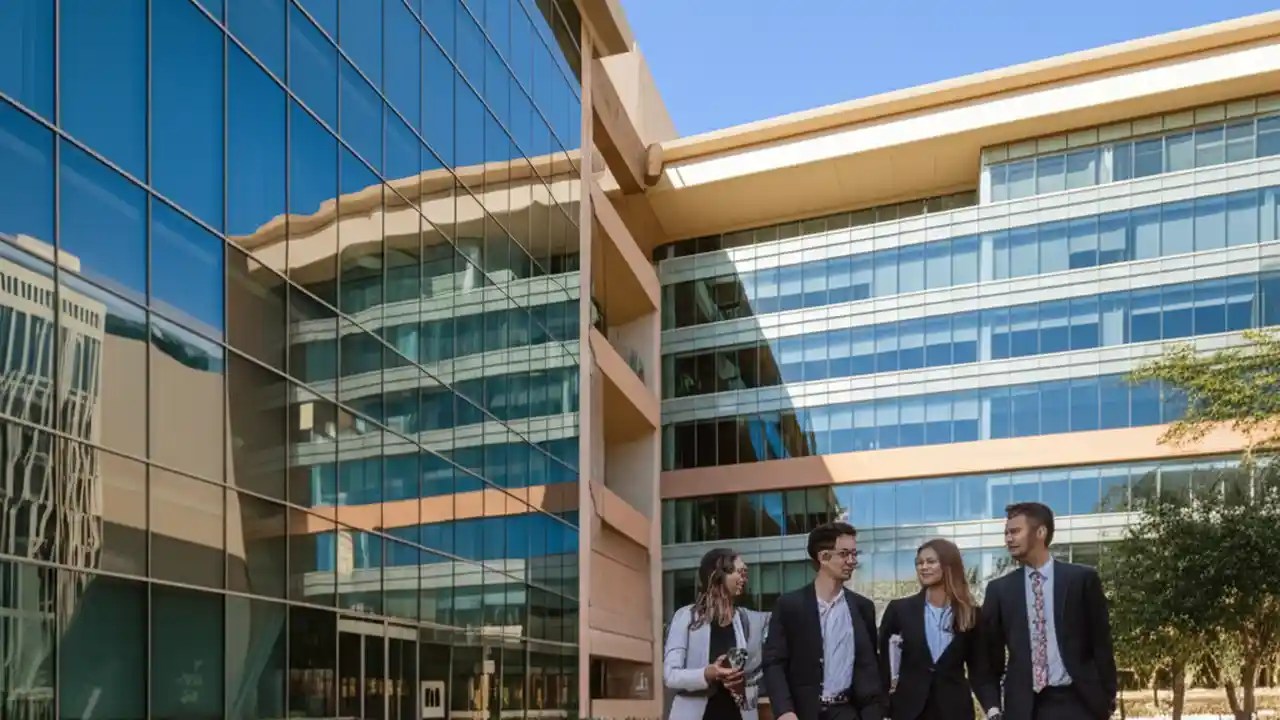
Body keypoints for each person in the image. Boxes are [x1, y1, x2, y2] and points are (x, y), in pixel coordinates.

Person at [982, 503, 1117, 720]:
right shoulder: (999, 590)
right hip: (1023, 708)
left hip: (1077, 702)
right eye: (1006, 533)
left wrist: (1107, 697)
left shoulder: (1081, 580)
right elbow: (989, 657)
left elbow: (1101, 642)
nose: (1008, 539)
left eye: (1015, 531)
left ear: (1041, 532)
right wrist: (993, 708)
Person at [762, 522, 884, 720]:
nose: (852, 561)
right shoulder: (789, 606)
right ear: (823, 557)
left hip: (848, 712)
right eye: (844, 554)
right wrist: (785, 711)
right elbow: (774, 663)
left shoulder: (863, 608)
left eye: (854, 553)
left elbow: (869, 668)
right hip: (803, 713)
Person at [878, 538, 999, 720]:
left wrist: (992, 709)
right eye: (919, 563)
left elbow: (980, 670)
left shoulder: (971, 615)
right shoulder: (899, 610)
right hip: (907, 711)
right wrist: (882, 709)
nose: (923, 567)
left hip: (954, 710)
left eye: (931, 562)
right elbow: (884, 665)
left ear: (949, 565)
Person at [665, 548, 770, 720]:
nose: (744, 578)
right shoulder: (687, 617)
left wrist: (741, 687)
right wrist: (708, 673)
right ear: (718, 575)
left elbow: (754, 680)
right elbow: (670, 676)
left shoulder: (744, 620)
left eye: (746, 572)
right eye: (739, 571)